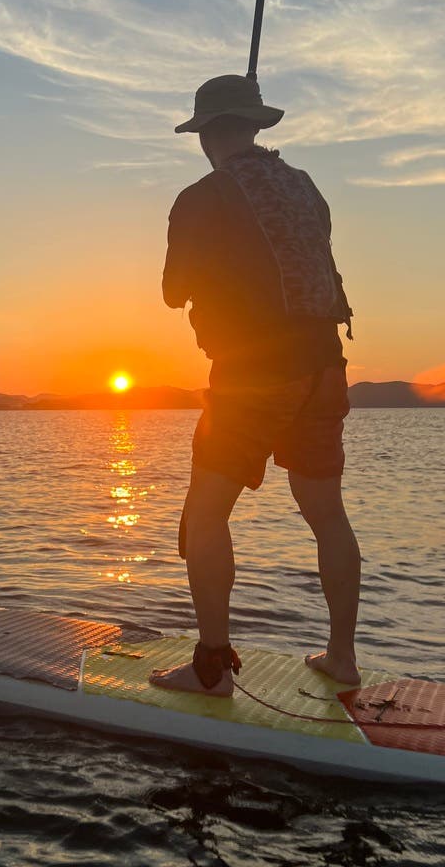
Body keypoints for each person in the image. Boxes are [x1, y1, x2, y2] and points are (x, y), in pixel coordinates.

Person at [151, 74, 360, 698]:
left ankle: (212, 667)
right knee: (327, 514)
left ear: (208, 133)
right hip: (325, 367)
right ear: (256, 126)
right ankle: (342, 658)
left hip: (252, 377)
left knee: (205, 515)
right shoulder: (305, 187)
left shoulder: (200, 197)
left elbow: (171, 293)